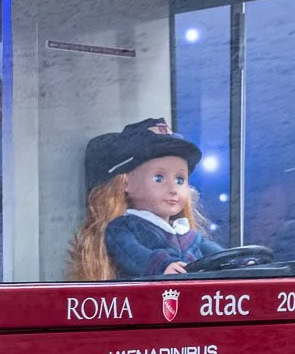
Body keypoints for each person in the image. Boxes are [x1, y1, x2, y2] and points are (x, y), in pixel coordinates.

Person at [65, 119, 223, 280]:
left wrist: (235, 261)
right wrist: (161, 266)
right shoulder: (124, 228)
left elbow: (216, 255)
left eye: (180, 180)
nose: (173, 189)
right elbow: (133, 253)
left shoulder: (188, 235)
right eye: (158, 178)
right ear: (125, 183)